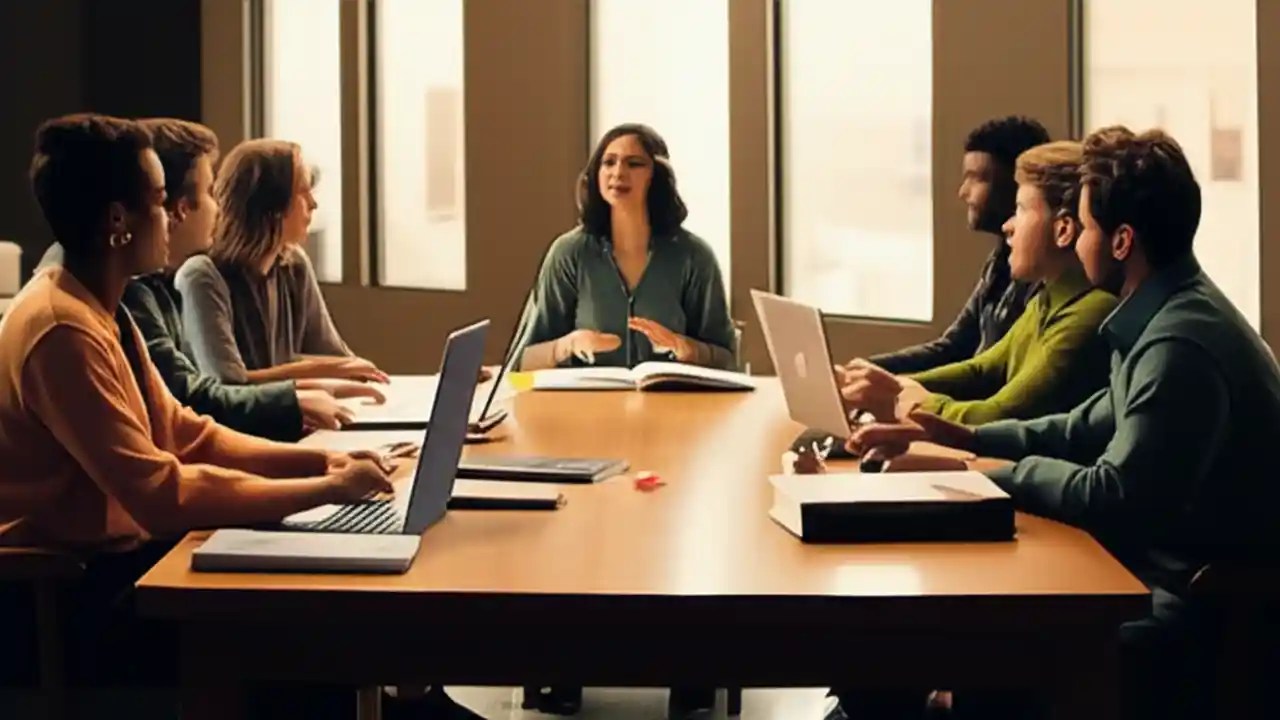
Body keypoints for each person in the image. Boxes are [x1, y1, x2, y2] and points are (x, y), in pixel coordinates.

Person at [833, 126, 1280, 720]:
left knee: (959, 656)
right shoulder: (1164, 313)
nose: (1078, 238)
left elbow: (1113, 493)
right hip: (1155, 578)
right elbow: (1076, 427)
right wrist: (958, 438)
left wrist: (990, 471)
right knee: (923, 654)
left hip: (1196, 611)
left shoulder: (1179, 343)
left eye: (1087, 226)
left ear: (1121, 241)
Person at [0, 114, 393, 712]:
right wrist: (325, 489)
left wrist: (321, 462)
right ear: (117, 222)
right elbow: (161, 493)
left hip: (117, 567)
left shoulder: (100, 306)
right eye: (162, 202)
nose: (179, 215)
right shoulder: (61, 331)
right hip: (65, 600)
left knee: (324, 621)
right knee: (306, 650)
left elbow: (188, 434)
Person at [33, 119, 385, 440]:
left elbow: (182, 417)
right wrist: (302, 434)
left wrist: (312, 464)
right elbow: (187, 415)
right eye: (208, 192)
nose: (219, 208)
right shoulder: (88, 312)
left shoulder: (146, 286)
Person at [794, 116, 1050, 453]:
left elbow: (993, 387)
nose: (963, 192)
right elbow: (958, 348)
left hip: (976, 435)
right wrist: (868, 373)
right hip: (960, 425)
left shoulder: (1045, 285)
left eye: (977, 178)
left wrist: (899, 395)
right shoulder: (1000, 263)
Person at [840, 141, 1116, 426]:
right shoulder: (1045, 301)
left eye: (1020, 210)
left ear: (1063, 230)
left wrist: (902, 397)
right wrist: (877, 385)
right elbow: (983, 370)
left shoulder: (1091, 313)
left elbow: (1002, 413)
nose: (1008, 226)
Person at [518, 123, 735, 371]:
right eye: (609, 162)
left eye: (634, 164)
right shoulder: (568, 253)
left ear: (657, 175)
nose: (618, 172)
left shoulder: (694, 257)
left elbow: (728, 360)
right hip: (585, 408)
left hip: (672, 405)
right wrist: (567, 345)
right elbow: (523, 363)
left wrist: (685, 347)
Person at [175, 138, 388, 385]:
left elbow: (333, 354)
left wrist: (344, 369)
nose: (313, 203)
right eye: (303, 191)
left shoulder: (293, 264)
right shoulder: (202, 276)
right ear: (270, 203)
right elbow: (228, 381)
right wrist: (338, 369)